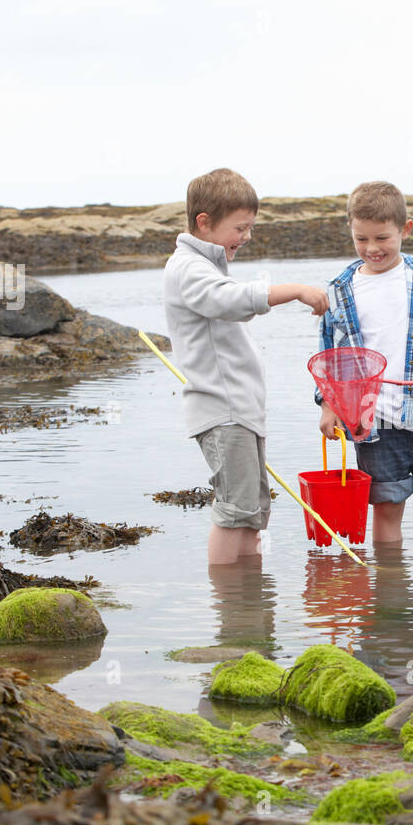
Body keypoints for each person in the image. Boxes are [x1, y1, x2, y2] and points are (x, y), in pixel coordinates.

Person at [164, 168, 328, 565]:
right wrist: (296, 291)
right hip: (222, 411)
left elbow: (230, 300)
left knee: (253, 512)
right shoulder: (188, 267)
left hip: (241, 412)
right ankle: (232, 607)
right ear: (204, 223)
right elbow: (232, 301)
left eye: (250, 227)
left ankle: (250, 596)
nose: (247, 237)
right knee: (235, 510)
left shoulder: (209, 265)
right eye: (240, 228)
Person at [316, 181, 413, 544]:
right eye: (361, 239)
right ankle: (389, 595)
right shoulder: (339, 290)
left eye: (382, 238)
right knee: (386, 507)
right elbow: (328, 358)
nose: (372, 249)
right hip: (372, 419)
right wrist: (328, 406)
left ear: (405, 229)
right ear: (350, 231)